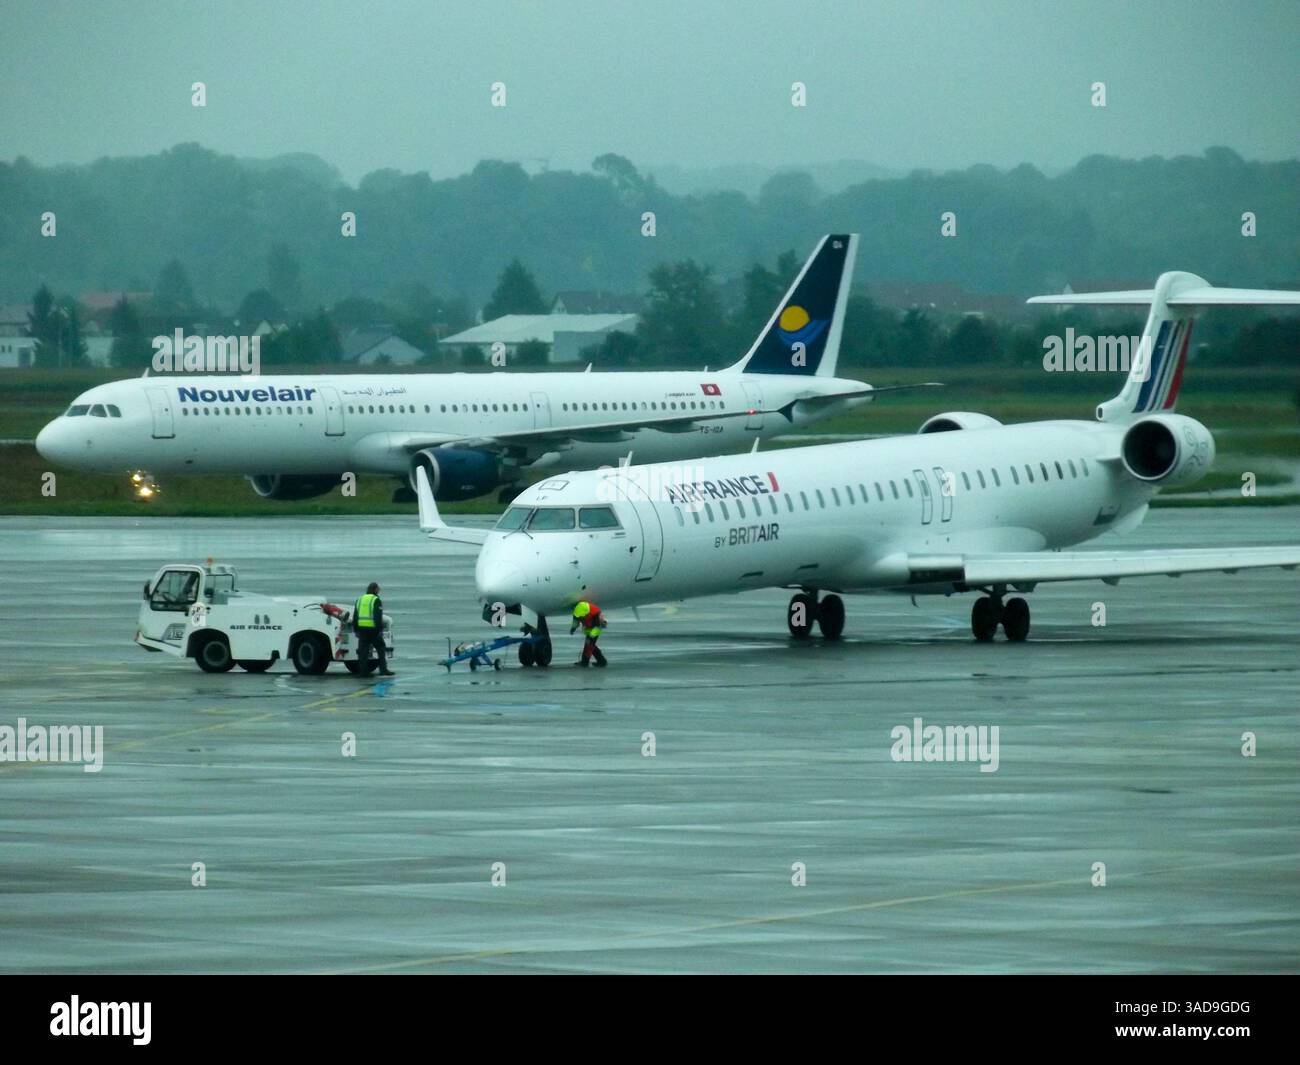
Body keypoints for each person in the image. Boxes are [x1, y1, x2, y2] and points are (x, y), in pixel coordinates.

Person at [353, 582, 394, 676]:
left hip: (362, 629)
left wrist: (356, 629)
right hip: (373, 629)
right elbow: (377, 616)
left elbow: (355, 615)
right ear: (375, 589)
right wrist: (379, 630)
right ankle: (383, 669)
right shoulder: (375, 600)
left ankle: (363, 671)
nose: (379, 590)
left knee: (363, 651)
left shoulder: (360, 599)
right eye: (378, 588)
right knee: (381, 648)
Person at [569, 600, 607, 667]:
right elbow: (576, 621)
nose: (581, 618)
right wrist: (573, 628)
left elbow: (599, 627)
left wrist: (592, 635)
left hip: (594, 631)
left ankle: (585, 662)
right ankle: (602, 661)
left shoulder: (596, 615)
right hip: (589, 630)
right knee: (591, 646)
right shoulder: (578, 611)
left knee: (589, 646)